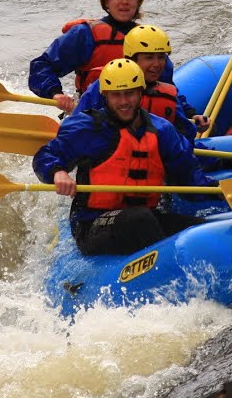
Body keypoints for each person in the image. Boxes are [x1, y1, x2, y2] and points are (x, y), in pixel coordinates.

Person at [33, 58, 215, 256]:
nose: (123, 102)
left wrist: (218, 191)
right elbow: (46, 155)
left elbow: (187, 177)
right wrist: (58, 172)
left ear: (140, 93)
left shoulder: (162, 131)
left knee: (198, 230)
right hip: (93, 222)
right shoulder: (88, 127)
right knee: (139, 219)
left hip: (144, 217)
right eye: (116, 95)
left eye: (129, 94)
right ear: (105, 96)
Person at [74, 24, 232, 170]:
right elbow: (75, 133)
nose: (157, 65)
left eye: (161, 58)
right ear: (132, 59)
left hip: (154, 170)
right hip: (111, 167)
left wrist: (227, 162)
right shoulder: (103, 89)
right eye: (149, 58)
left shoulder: (162, 90)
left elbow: (183, 145)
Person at [28, 0, 175, 114]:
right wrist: (56, 93)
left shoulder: (150, 39)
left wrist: (189, 113)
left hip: (144, 117)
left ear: (138, 2)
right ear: (106, 2)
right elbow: (41, 66)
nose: (124, 2)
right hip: (96, 112)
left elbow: (165, 85)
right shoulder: (85, 34)